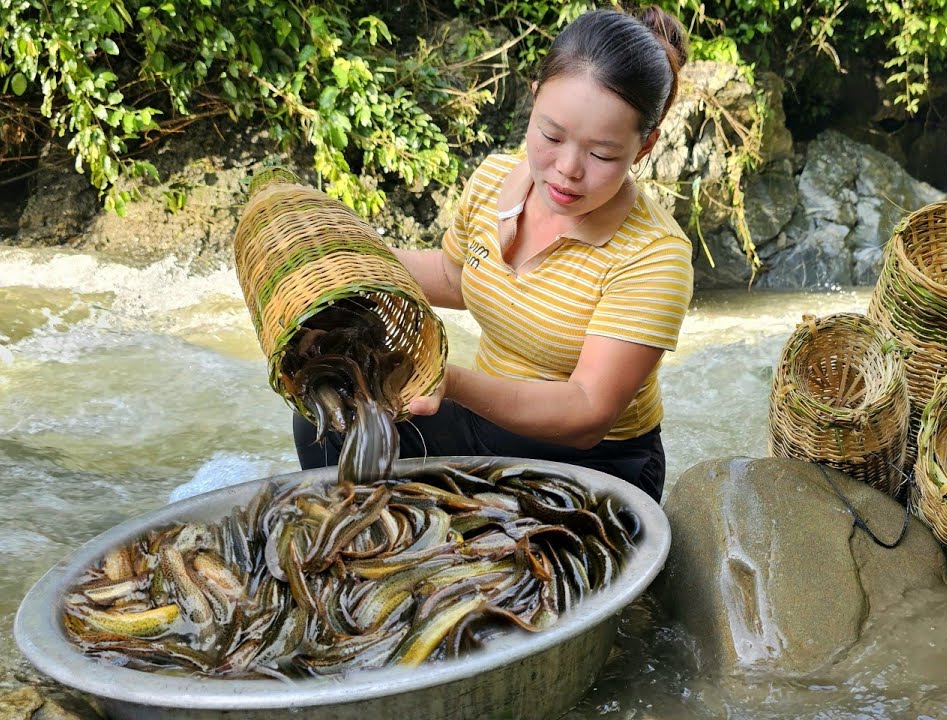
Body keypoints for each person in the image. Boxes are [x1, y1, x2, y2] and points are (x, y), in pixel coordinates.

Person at [293, 6, 694, 502]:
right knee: (334, 407)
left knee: (507, 565)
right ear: (533, 101)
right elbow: (452, 275)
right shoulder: (491, 183)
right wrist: (351, 264)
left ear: (645, 146)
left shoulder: (654, 256)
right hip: (484, 426)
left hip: (594, 463)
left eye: (602, 155)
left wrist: (452, 382)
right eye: (551, 136)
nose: (567, 169)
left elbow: (587, 413)